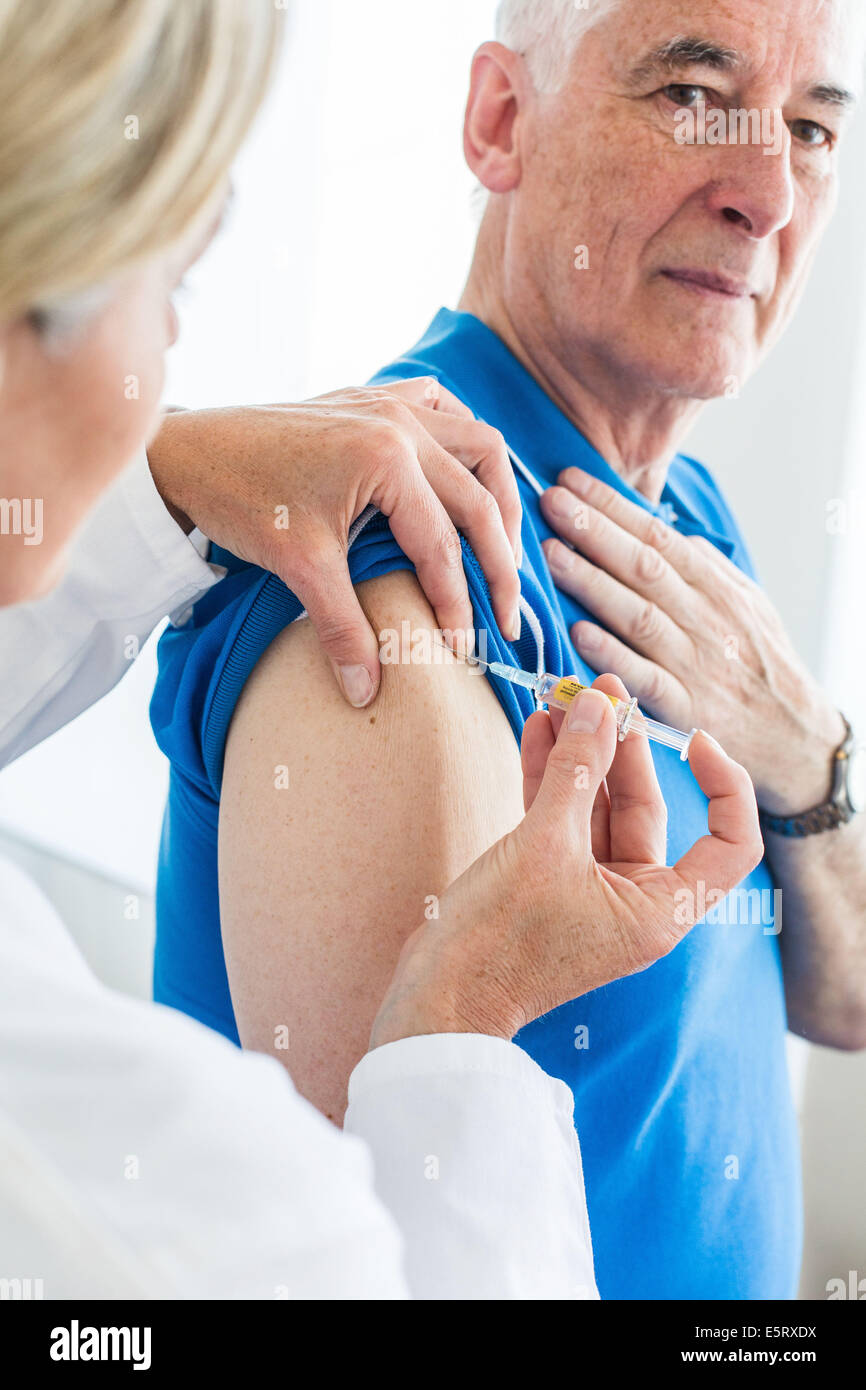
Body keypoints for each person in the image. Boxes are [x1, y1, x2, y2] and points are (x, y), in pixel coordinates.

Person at [0, 0, 761, 1300]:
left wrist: (819, 765)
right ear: (499, 120)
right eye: (689, 95)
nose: (768, 183)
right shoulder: (369, 600)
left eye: (811, 129)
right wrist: (452, 1014)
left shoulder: (693, 542)